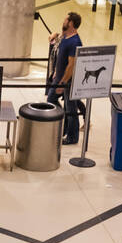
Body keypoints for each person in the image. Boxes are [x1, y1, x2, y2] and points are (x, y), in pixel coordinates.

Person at [47, 12, 85, 145]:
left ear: (71, 24)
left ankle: (72, 136)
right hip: (59, 77)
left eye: (65, 20)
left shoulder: (75, 42)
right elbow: (57, 39)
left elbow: (71, 65)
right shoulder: (66, 36)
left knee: (71, 108)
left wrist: (63, 83)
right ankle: (63, 125)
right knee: (51, 100)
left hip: (67, 81)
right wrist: (54, 35)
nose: (63, 22)